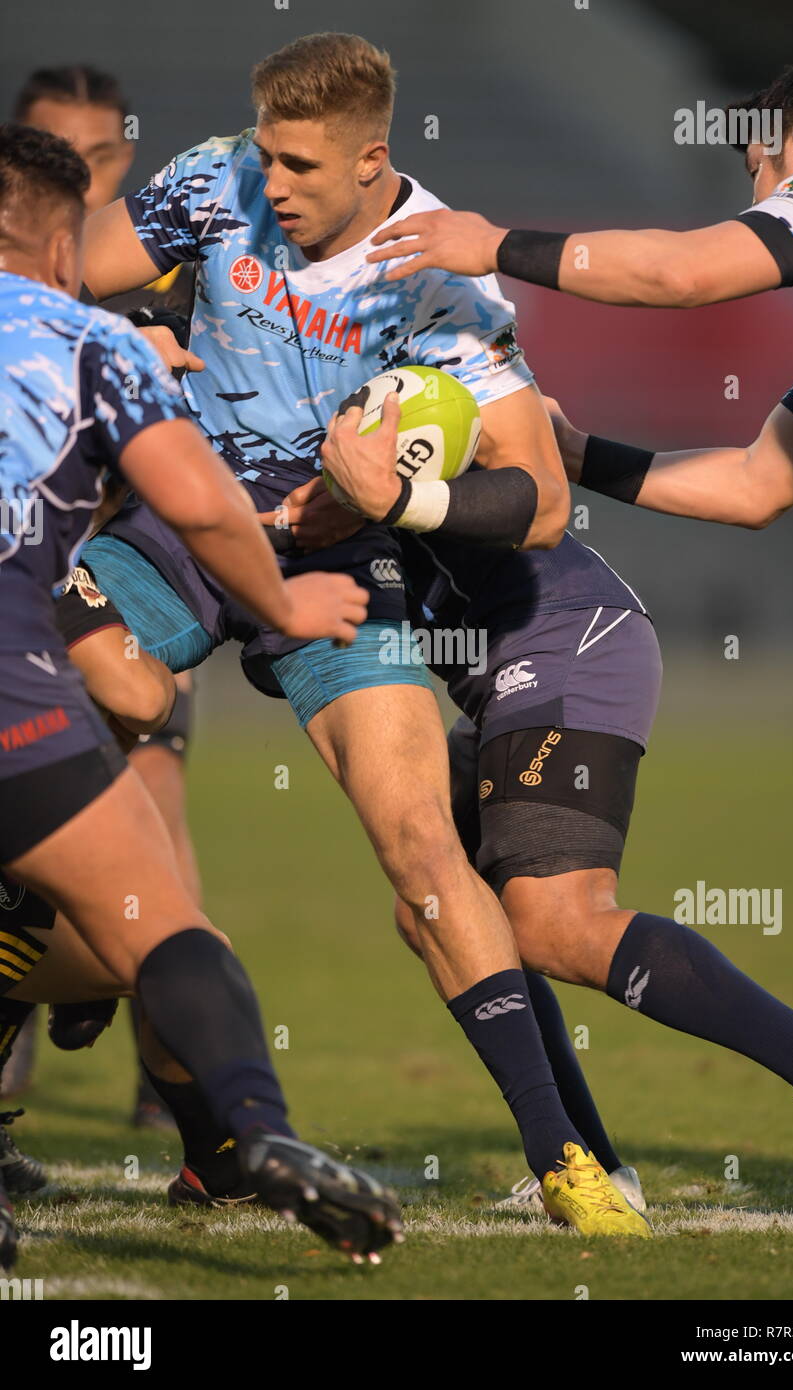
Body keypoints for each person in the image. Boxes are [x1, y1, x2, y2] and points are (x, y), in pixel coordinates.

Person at [79, 30, 647, 1235]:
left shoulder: (436, 275)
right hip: (188, 521)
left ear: (371, 159)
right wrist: (124, 330)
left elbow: (538, 499)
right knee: (92, 696)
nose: (268, 183)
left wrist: (398, 501)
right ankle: (69, 957)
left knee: (420, 847)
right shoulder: (214, 175)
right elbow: (67, 267)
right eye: (265, 154)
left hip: (335, 560)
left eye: (296, 164)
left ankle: (567, 1166)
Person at [353, 56, 793, 1226]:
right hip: (556, 643)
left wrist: (492, 243)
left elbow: (684, 272)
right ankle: (593, 1164)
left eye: (754, 172)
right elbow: (749, 487)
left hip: (566, 643)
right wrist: (578, 456)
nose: (754, 198)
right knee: (448, 899)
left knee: (539, 915)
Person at [0, 122, 400, 1269]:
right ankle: (257, 1137)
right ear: (67, 247)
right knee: (161, 921)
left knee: (32, 928)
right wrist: (279, 605)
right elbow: (208, 506)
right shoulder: (91, 342)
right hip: (16, 685)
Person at [9, 62, 199, 1129]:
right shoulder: (20, 285)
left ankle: (180, 1096)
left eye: (97, 156)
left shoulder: (159, 289)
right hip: (24, 607)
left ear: (124, 161)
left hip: (117, 588)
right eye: (51, 150)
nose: (76, 171)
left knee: (153, 835)